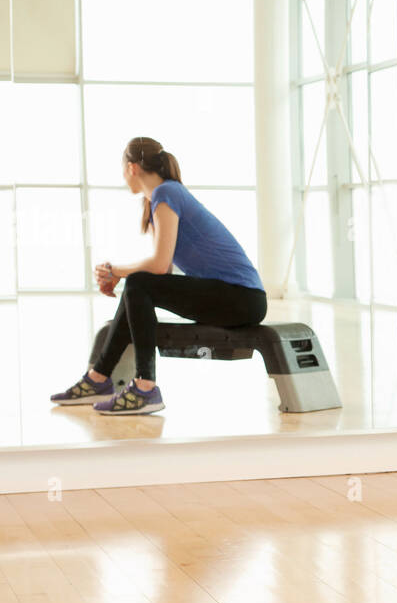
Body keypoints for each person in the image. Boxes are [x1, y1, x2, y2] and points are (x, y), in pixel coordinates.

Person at [50, 137, 268, 415]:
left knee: (138, 283)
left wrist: (116, 271)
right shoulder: (159, 199)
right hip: (231, 297)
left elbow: (157, 265)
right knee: (137, 286)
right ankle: (98, 379)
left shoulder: (168, 193)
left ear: (131, 168)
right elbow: (162, 271)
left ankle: (144, 387)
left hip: (241, 298)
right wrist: (121, 275)